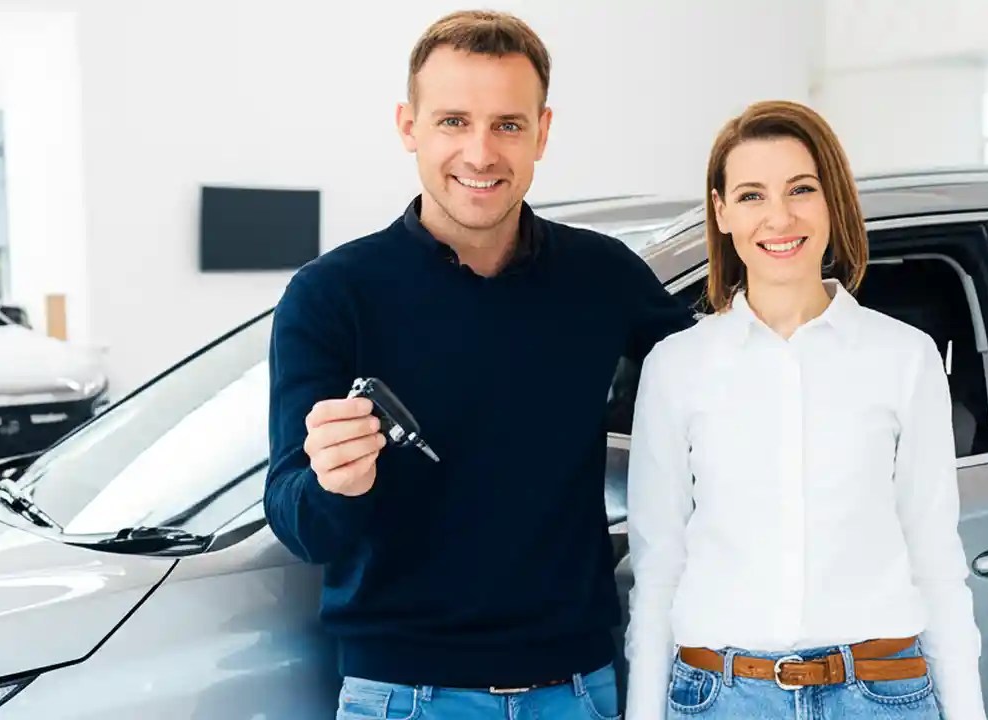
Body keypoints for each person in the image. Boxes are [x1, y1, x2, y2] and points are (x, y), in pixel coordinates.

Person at [263, 9, 695, 720]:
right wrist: (336, 483)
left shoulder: (603, 278)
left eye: (508, 125)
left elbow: (728, 394)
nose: (481, 152)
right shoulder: (331, 296)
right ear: (409, 127)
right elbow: (302, 523)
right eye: (454, 121)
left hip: (578, 691)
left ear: (543, 133)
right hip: (402, 697)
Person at [623, 100, 988, 720]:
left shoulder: (905, 358)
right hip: (720, 698)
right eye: (751, 195)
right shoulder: (676, 367)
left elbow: (937, 564)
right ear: (721, 211)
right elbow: (657, 574)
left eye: (800, 189)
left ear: (832, 201)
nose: (779, 217)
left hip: (880, 695)